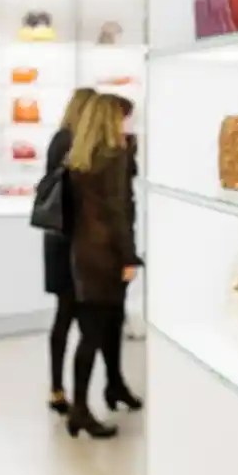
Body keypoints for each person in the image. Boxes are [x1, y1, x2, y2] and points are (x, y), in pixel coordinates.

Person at [65, 93, 143, 439]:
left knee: (98, 329)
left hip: (84, 252)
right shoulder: (112, 157)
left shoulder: (82, 157)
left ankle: (108, 389)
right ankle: (81, 409)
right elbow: (118, 212)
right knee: (97, 331)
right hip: (108, 255)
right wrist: (129, 257)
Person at [44, 87, 97, 415]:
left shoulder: (60, 139)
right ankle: (60, 389)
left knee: (65, 315)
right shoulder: (69, 142)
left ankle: (58, 387)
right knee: (69, 315)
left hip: (58, 238)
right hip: (69, 240)